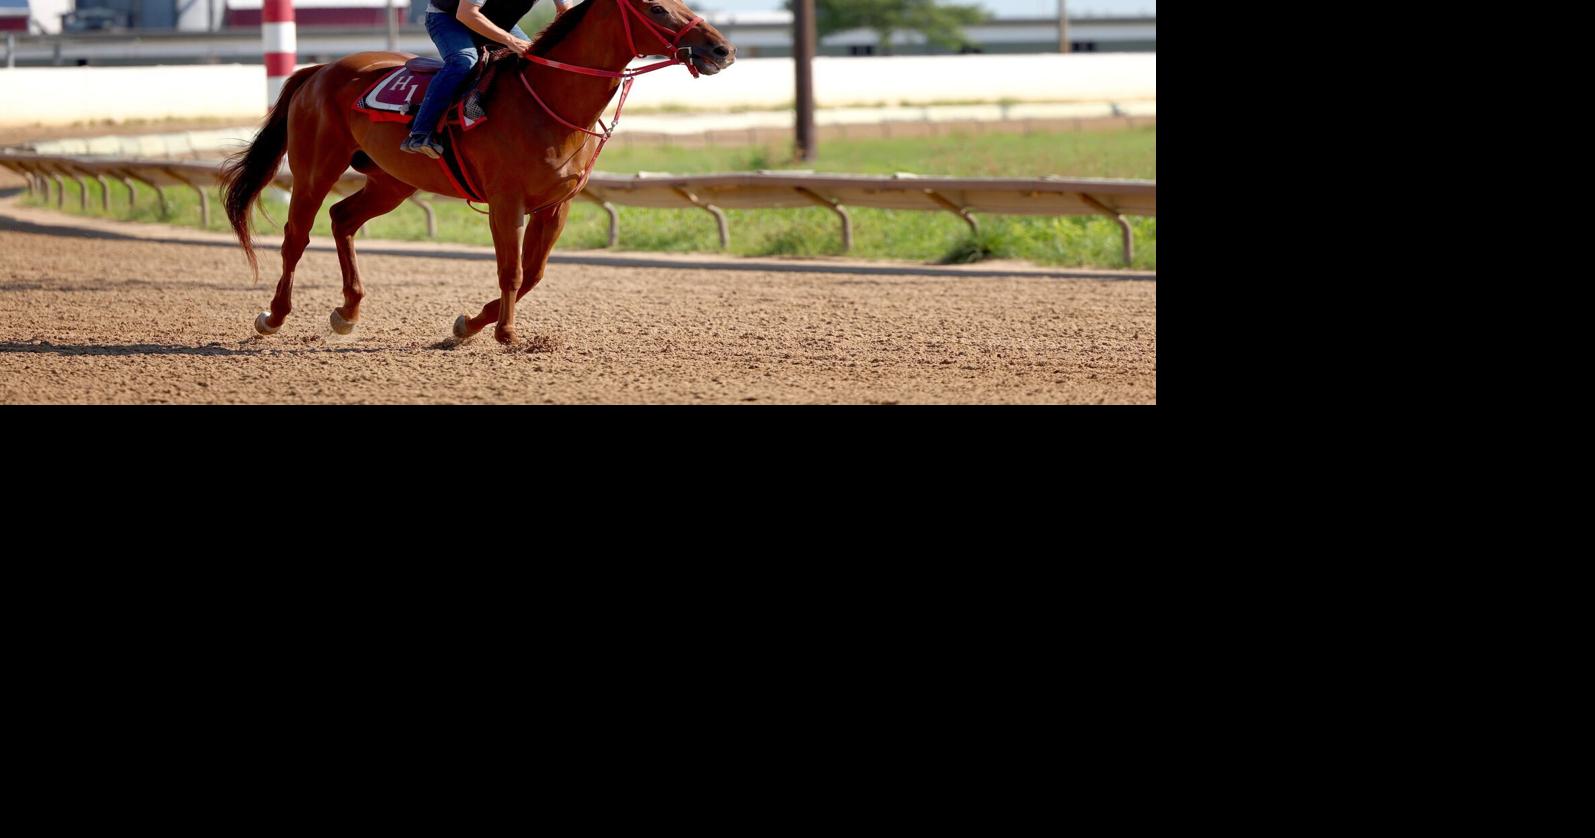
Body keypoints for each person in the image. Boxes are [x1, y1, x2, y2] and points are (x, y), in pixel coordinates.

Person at [401, 0, 573, 158]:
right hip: (449, 18)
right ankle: (420, 133)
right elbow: (466, 14)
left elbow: (566, 10)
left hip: (495, 21)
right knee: (464, 61)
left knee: (535, 61)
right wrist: (511, 41)